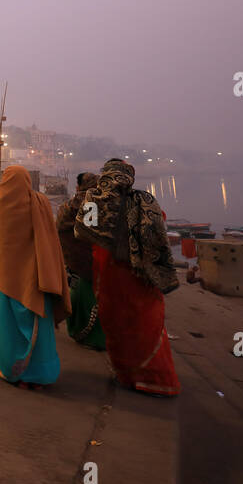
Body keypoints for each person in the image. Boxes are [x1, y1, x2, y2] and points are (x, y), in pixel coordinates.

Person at [75, 159, 181, 396]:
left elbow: (83, 230)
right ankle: (151, 376)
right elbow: (158, 235)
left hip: (110, 270)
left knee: (117, 321)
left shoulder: (96, 200)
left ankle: (127, 374)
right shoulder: (145, 200)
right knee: (144, 321)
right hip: (139, 274)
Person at [0, 165, 72, 389]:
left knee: (8, 328)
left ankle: (12, 370)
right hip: (32, 277)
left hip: (3, 276)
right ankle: (39, 375)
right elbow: (49, 239)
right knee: (37, 326)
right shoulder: (38, 203)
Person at [56, 172, 106, 350]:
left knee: (79, 296)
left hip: (72, 259)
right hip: (88, 259)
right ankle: (93, 337)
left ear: (78, 187)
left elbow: (61, 225)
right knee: (89, 299)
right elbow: (91, 233)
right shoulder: (92, 203)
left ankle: (79, 331)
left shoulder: (71, 204)